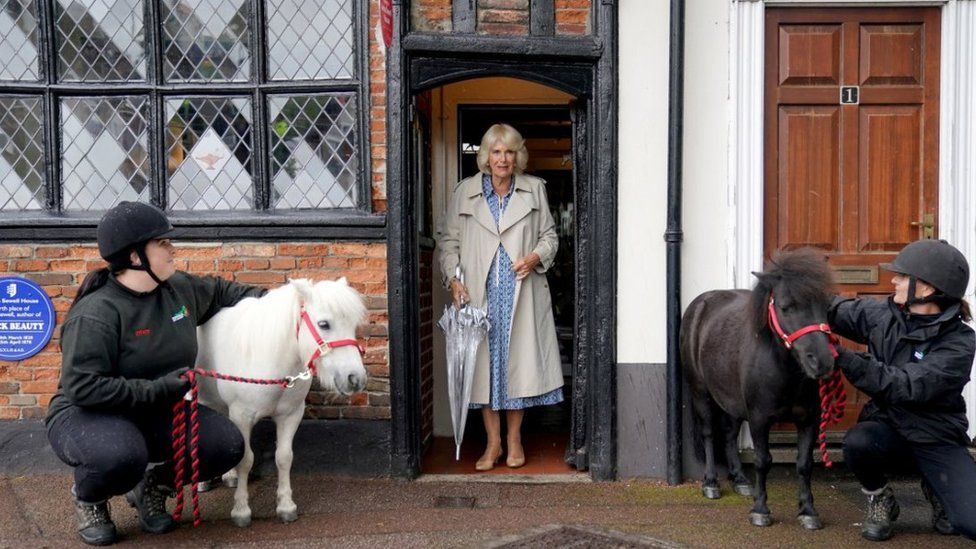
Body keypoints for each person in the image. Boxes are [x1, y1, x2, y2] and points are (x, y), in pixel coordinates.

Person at [45, 202, 266, 546]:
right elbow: (82, 387)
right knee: (121, 457)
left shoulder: (178, 289)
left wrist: (280, 304)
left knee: (227, 445)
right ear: (135, 257)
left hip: (159, 408)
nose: (171, 248)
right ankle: (90, 497)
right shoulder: (97, 313)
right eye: (162, 243)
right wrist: (159, 388)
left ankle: (153, 486)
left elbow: (224, 291)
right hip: (89, 413)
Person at [828, 239, 976, 542]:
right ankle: (880, 498)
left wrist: (845, 357)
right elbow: (836, 310)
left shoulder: (960, 342)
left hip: (936, 438)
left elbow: (905, 385)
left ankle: (938, 489)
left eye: (902, 276)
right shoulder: (884, 316)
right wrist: (793, 291)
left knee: (971, 523)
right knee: (858, 442)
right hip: (889, 431)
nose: (893, 280)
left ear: (926, 289)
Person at [438, 123, 563, 471]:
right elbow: (449, 243)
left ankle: (515, 439)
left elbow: (550, 237)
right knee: (485, 370)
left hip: (519, 291)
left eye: (509, 152)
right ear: (486, 157)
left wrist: (535, 256)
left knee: (515, 366)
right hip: (479, 292)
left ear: (517, 156)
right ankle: (492, 443)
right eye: (496, 152)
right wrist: (453, 280)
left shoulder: (535, 190)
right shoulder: (465, 192)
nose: (503, 159)